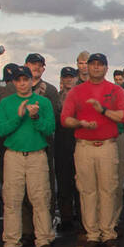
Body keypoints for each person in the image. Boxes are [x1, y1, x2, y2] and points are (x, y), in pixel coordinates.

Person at [63, 53, 124, 247]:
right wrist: (80, 123)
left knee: (109, 190)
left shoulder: (116, 90)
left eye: (100, 65)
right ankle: (92, 234)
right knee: (87, 191)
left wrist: (102, 110)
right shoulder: (76, 92)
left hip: (108, 146)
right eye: (92, 64)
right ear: (87, 68)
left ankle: (108, 232)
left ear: (106, 68)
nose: (95, 68)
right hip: (84, 146)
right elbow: (65, 119)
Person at [0, 64, 56, 247]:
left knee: (40, 199)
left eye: (25, 79)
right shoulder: (6, 103)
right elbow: (0, 130)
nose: (22, 83)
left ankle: (44, 239)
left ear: (31, 80)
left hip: (37, 155)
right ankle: (12, 241)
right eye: (18, 80)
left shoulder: (43, 102)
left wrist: (36, 117)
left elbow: (50, 129)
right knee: (12, 200)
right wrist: (18, 116)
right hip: (14, 155)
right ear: (14, 82)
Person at [54, 66, 81, 235]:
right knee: (64, 184)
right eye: (66, 77)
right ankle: (66, 218)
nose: (69, 80)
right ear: (62, 79)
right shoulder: (56, 98)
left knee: (81, 183)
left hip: (79, 143)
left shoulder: (81, 97)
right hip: (61, 145)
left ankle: (82, 215)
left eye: (71, 77)